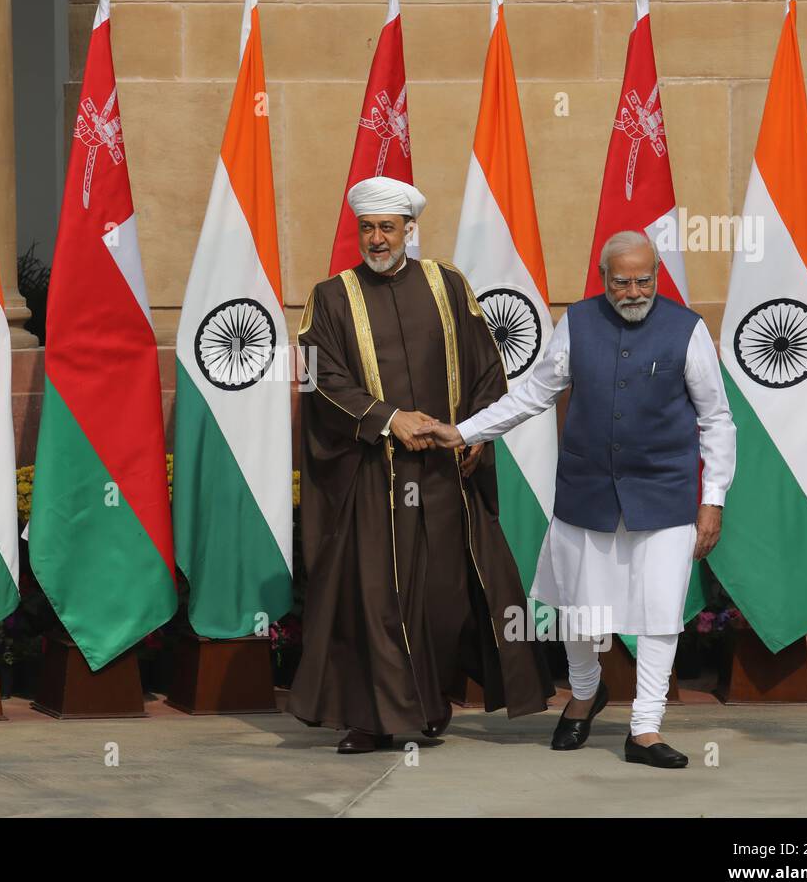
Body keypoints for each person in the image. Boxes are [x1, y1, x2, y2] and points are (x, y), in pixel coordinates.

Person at [415, 230, 736, 768]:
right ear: (603, 278)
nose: (634, 291)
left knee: (659, 614)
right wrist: (466, 431)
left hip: (664, 498)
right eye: (622, 281)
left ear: (656, 276)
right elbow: (533, 394)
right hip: (586, 494)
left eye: (644, 280)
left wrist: (714, 498)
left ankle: (645, 730)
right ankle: (585, 693)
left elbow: (716, 419)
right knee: (581, 613)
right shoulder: (578, 323)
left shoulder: (688, 330)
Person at [287, 175, 553, 755]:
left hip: (445, 476)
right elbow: (315, 379)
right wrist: (387, 417)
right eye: (367, 229)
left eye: (387, 228)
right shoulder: (330, 297)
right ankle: (374, 719)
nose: (377, 239)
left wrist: (478, 431)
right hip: (372, 479)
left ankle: (428, 703)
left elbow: (487, 364)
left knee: (442, 599)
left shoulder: (449, 284)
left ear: (410, 230)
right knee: (375, 601)